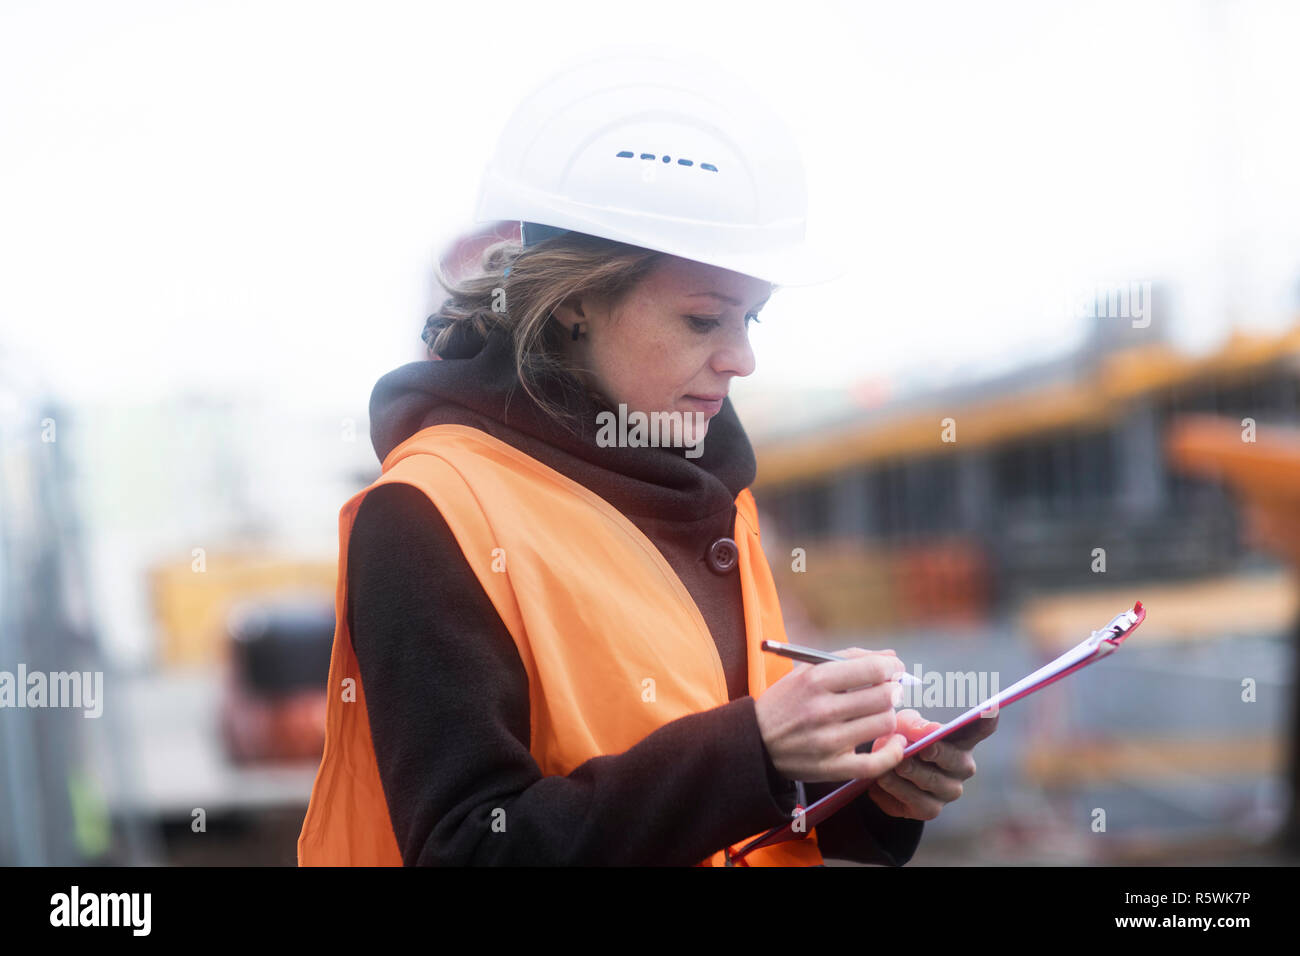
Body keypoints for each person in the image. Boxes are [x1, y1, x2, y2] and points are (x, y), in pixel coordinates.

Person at [297, 46, 998, 867]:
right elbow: (473, 848)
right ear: (575, 303)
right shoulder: (430, 513)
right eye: (704, 319)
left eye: (751, 319)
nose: (742, 359)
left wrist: (856, 785)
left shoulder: (711, 493)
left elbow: (698, 785)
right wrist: (755, 749)